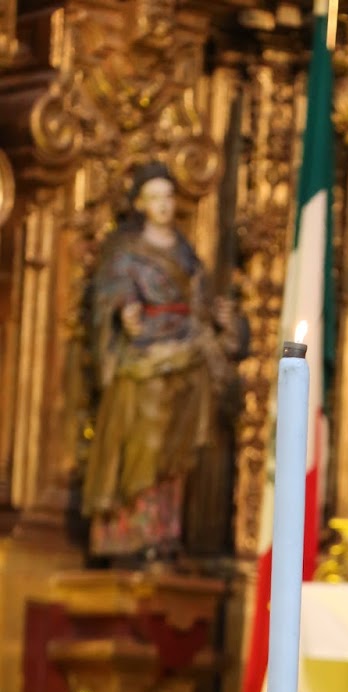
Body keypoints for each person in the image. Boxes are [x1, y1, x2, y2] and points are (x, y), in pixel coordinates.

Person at [82, 163, 239, 562]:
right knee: (143, 448)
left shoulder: (186, 252)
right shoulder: (126, 252)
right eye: (154, 198)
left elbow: (198, 301)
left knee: (175, 453)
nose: (164, 205)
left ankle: (164, 534)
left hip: (187, 357)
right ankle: (130, 534)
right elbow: (111, 294)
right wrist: (124, 311)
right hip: (144, 359)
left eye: (168, 197)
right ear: (140, 204)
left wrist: (218, 319)